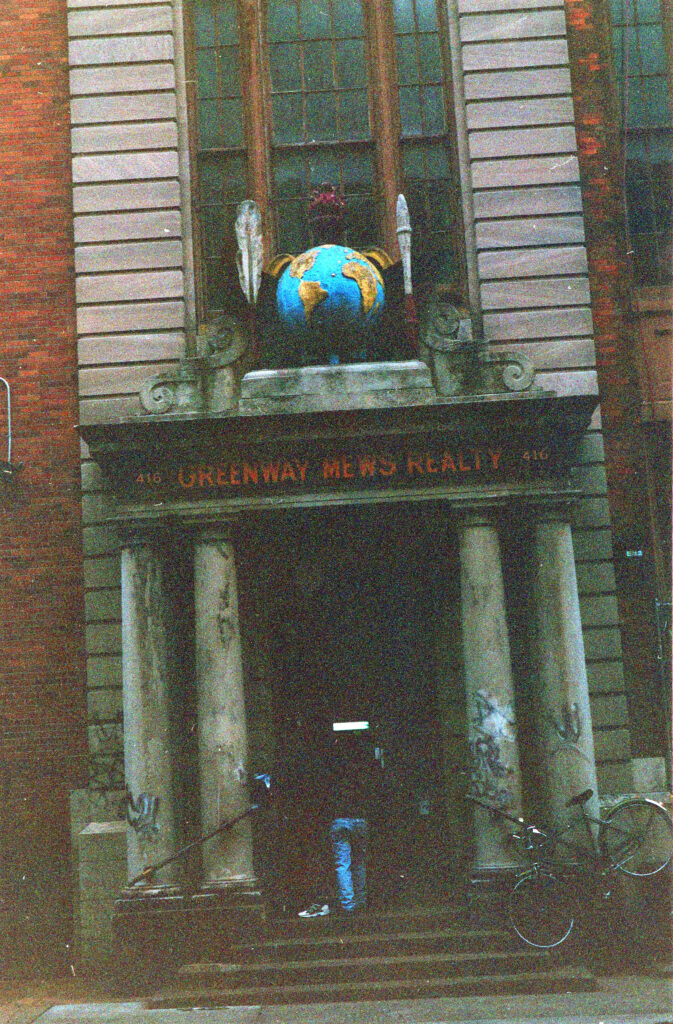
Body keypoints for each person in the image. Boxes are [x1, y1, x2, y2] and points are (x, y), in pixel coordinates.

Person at [298, 730, 382, 918]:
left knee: (343, 863)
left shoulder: (333, 773)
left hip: (340, 819)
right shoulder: (362, 771)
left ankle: (348, 904)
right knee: (359, 862)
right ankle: (361, 900)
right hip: (360, 818)